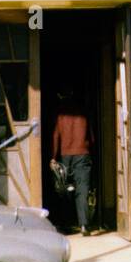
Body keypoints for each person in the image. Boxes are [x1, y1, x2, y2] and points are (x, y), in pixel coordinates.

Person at [52, 89, 94, 235]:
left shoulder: (60, 114)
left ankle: (66, 224)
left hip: (65, 154)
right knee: (82, 190)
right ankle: (83, 225)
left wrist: (53, 156)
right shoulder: (83, 112)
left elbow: (56, 136)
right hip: (82, 153)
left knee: (64, 189)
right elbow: (92, 136)